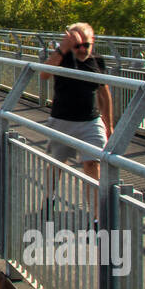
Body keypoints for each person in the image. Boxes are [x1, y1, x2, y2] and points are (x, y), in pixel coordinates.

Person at [40, 22, 112, 182]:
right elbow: (44, 74)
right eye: (77, 46)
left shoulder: (97, 61)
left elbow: (103, 93)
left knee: (93, 164)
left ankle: (95, 207)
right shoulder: (61, 57)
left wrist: (109, 125)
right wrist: (62, 48)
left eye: (86, 45)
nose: (81, 49)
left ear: (92, 41)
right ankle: (48, 201)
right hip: (62, 120)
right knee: (57, 164)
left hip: (90, 121)